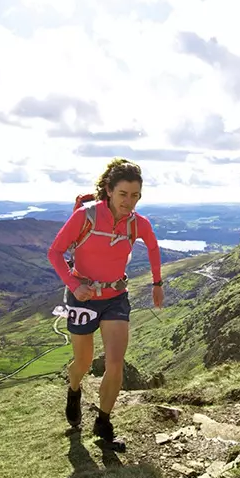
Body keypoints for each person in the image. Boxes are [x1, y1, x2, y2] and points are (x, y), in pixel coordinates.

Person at [47, 158, 165, 446]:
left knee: (115, 364)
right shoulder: (85, 217)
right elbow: (55, 252)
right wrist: (75, 285)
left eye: (135, 195)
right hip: (82, 298)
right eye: (123, 194)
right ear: (109, 190)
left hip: (115, 298)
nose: (129, 201)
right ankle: (74, 389)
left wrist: (157, 284)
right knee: (84, 362)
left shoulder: (138, 223)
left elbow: (152, 247)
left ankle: (103, 422)